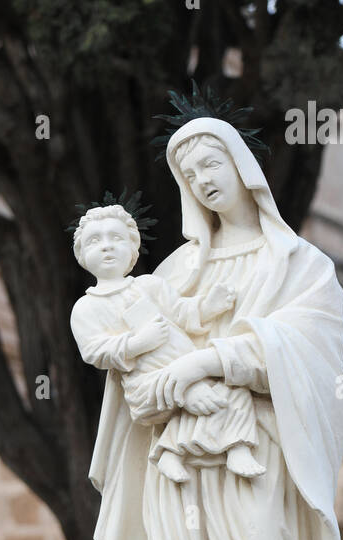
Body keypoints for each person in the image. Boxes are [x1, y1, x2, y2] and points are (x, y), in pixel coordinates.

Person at [84, 118, 343, 540]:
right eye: (191, 172)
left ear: (242, 167)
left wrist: (209, 361)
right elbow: (128, 363)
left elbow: (316, 356)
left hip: (256, 450)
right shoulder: (173, 273)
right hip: (175, 451)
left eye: (213, 163)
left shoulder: (299, 264)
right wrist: (169, 379)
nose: (205, 180)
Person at [70, 203, 263, 484]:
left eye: (116, 238)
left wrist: (209, 306)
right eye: (95, 241)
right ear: (82, 255)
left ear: (132, 250)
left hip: (187, 368)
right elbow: (95, 352)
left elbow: (182, 313)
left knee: (233, 393)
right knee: (189, 399)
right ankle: (174, 446)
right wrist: (137, 343)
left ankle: (232, 447)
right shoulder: (86, 308)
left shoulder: (149, 286)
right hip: (146, 384)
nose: (107, 247)